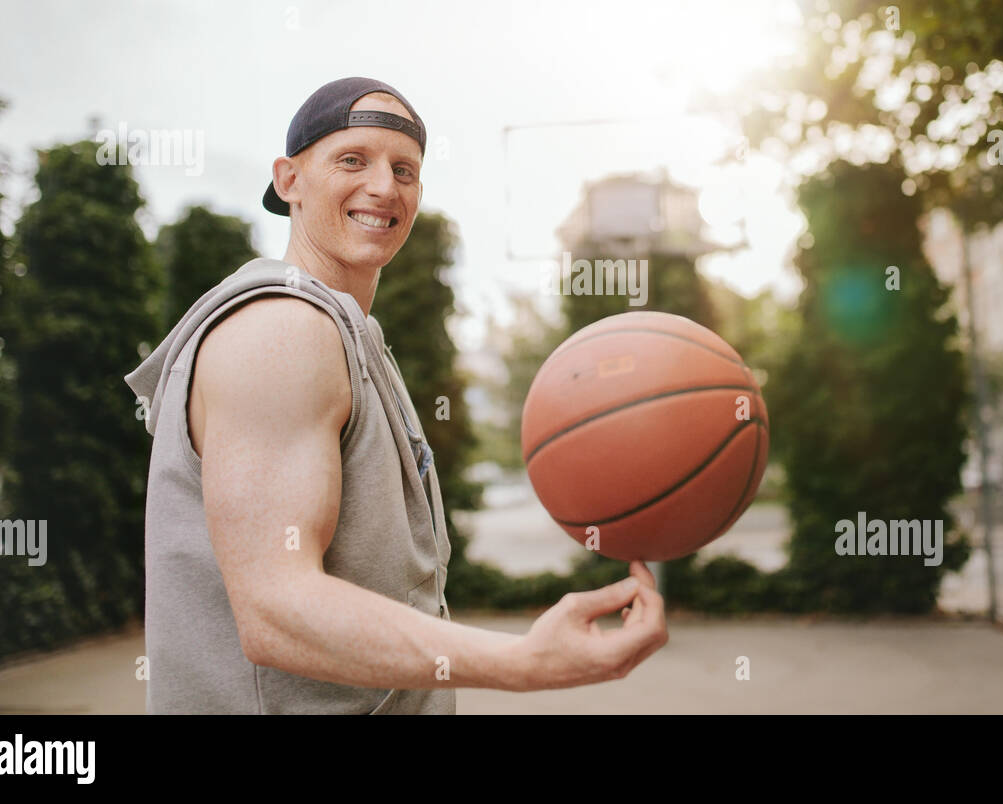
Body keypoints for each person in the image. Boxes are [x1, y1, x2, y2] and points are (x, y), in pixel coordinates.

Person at [125, 77, 667, 713]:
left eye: (404, 169)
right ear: (288, 180)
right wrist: (522, 662)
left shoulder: (349, 337)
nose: (384, 186)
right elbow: (276, 609)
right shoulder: (281, 331)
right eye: (352, 159)